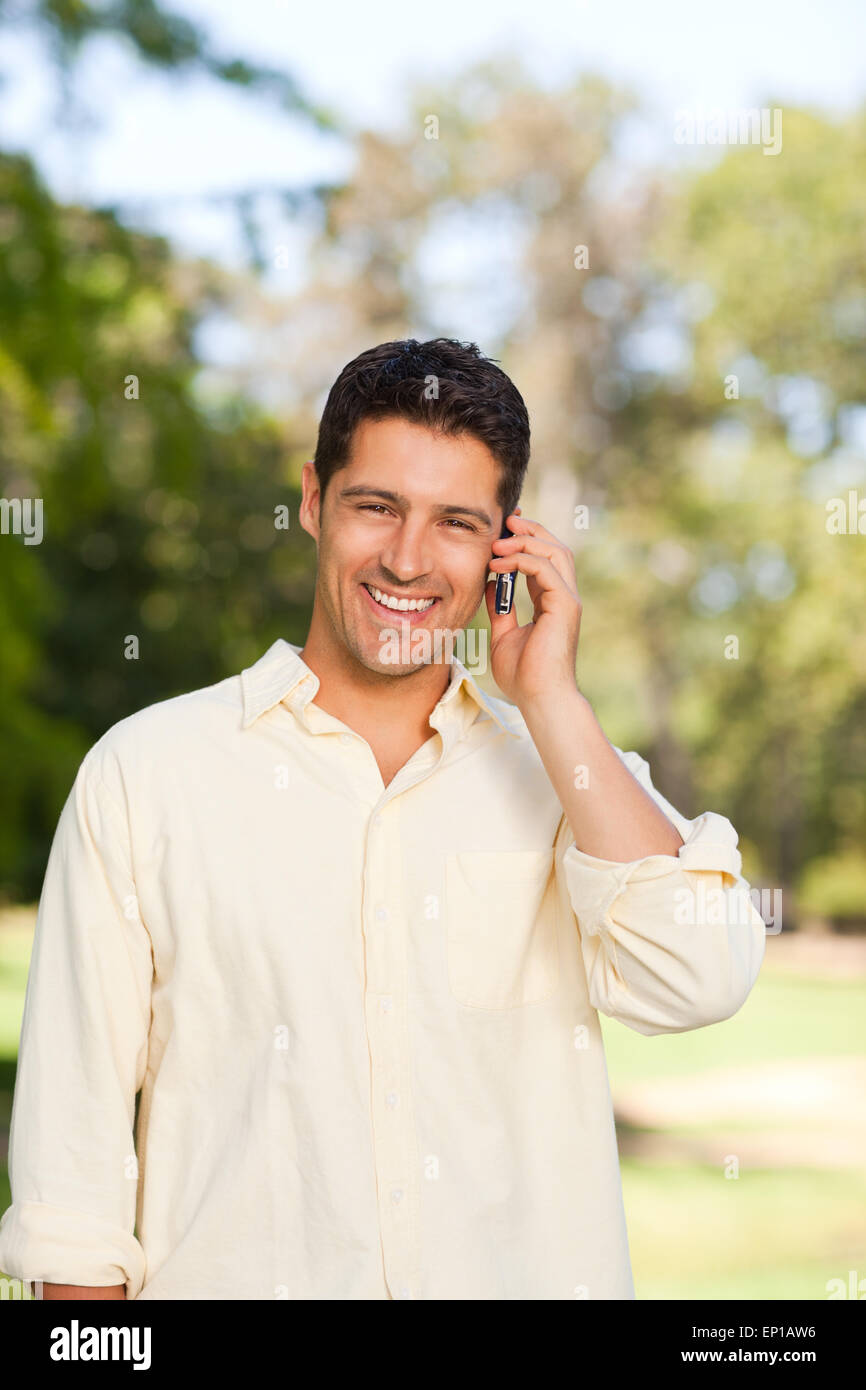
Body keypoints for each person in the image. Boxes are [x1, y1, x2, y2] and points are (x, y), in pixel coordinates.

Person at [0, 338, 765, 1300]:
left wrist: (555, 701)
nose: (407, 558)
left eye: (456, 522)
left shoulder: (569, 775)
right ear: (315, 501)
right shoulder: (148, 774)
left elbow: (702, 978)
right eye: (377, 506)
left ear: (505, 548)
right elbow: (73, 1184)